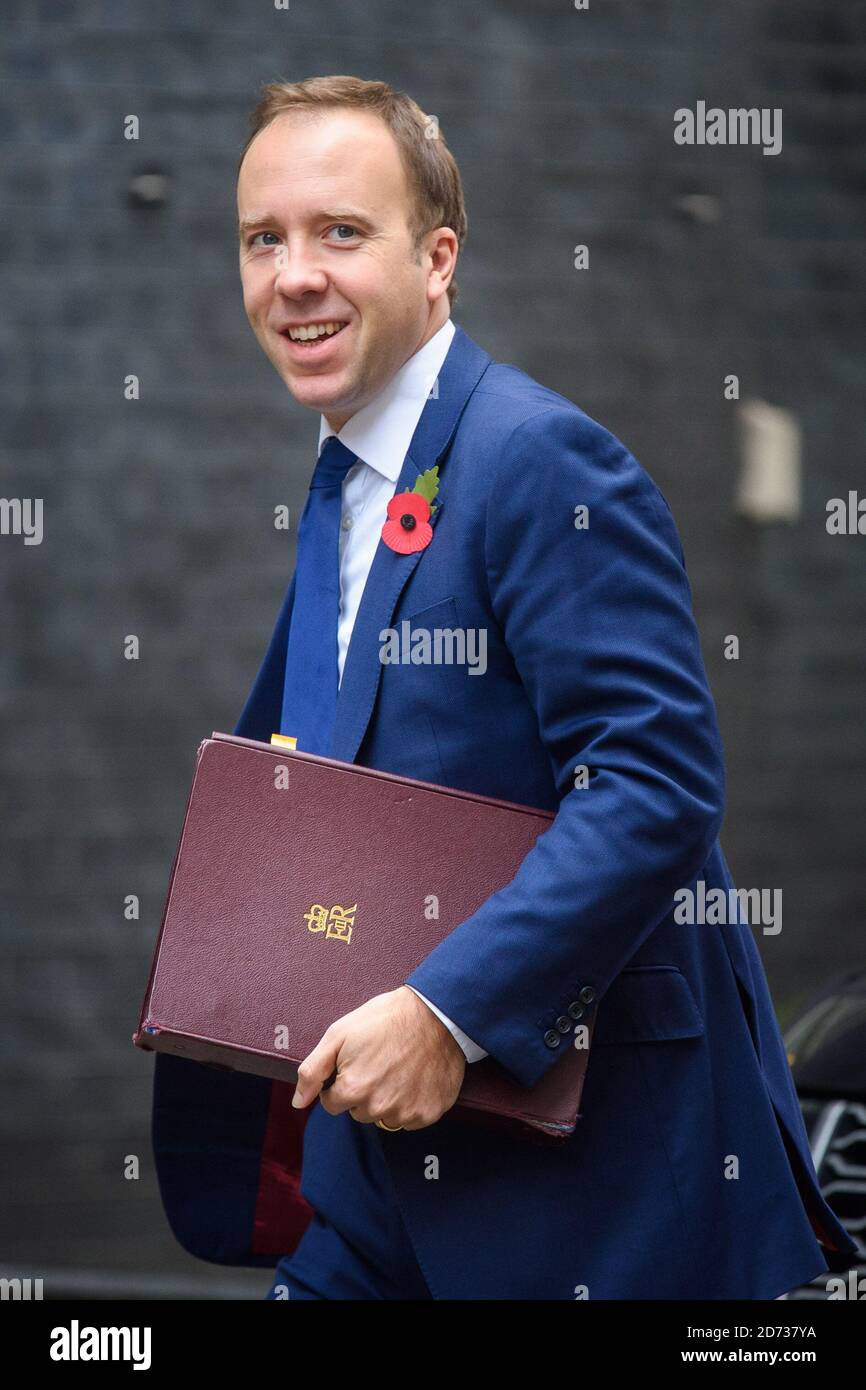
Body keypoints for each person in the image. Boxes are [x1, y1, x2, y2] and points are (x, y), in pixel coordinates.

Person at [151, 75, 859, 1300]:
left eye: (339, 232)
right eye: (263, 238)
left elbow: (652, 786)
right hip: (371, 1192)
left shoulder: (538, 461)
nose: (292, 275)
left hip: (585, 1204)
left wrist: (444, 1014)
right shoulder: (342, 485)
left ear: (436, 260)